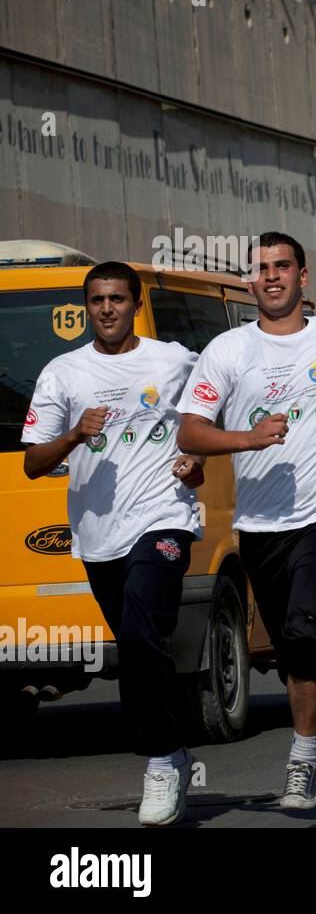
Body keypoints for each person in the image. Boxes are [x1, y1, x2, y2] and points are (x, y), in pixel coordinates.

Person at [178, 232, 316, 824]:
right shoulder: (226, 350)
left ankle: (302, 754)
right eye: (261, 269)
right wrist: (248, 437)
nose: (271, 276)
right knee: (296, 652)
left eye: (282, 266)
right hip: (260, 525)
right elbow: (191, 431)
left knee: (301, 630)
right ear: (251, 282)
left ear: (303, 276)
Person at [22, 262, 205, 826]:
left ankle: (157, 763)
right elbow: (33, 462)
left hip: (163, 517)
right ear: (87, 307)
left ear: (136, 303)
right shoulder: (62, 372)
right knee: (135, 642)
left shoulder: (172, 359)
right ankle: (173, 748)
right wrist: (76, 433)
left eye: (118, 300)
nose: (107, 309)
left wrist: (197, 455)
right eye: (98, 300)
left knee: (140, 627)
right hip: (99, 538)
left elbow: (211, 407)